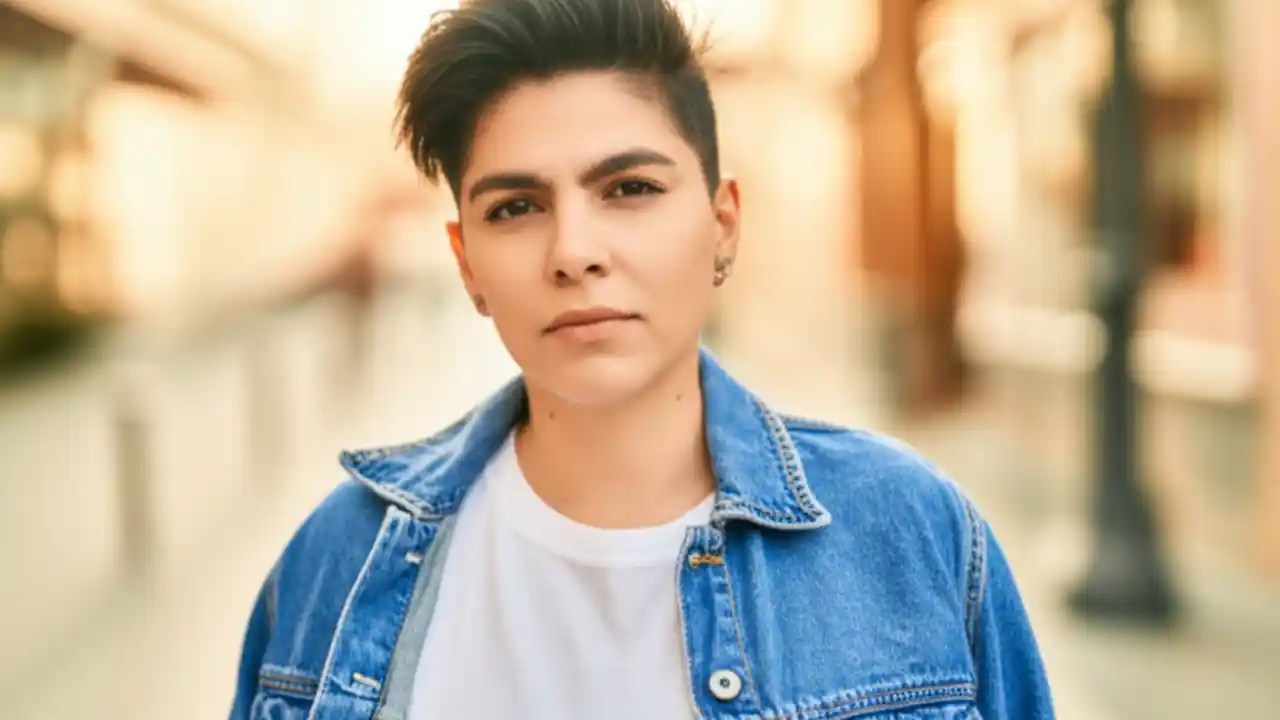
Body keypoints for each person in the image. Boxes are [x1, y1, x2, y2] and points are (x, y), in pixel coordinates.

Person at [230, 1, 1055, 718]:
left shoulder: (907, 531)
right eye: (516, 207)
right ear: (467, 263)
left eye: (629, 189)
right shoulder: (337, 561)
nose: (574, 251)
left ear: (722, 223)